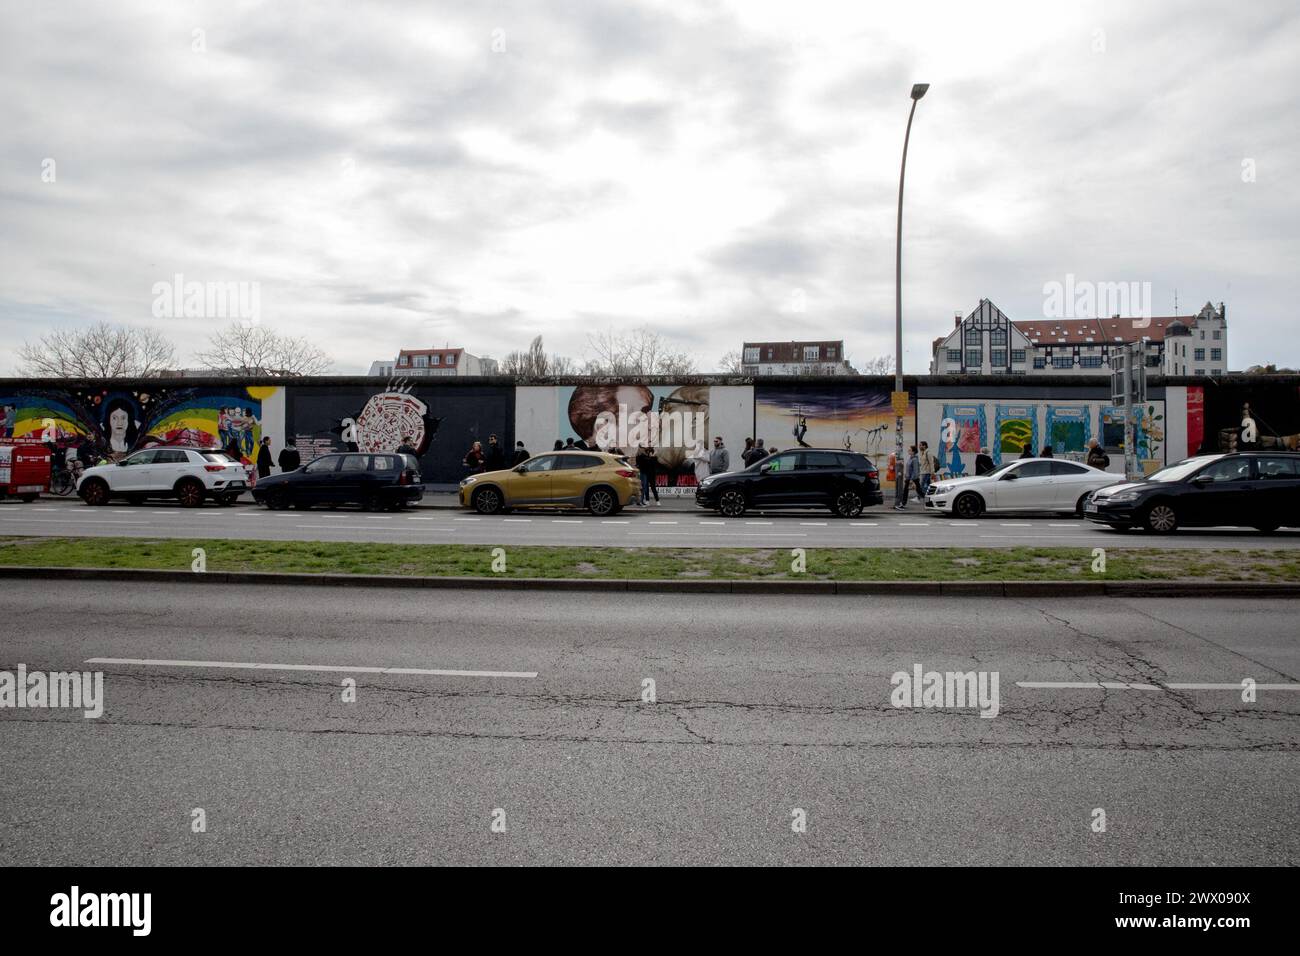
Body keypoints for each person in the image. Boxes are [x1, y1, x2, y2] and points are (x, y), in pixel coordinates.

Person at [894, 445, 921, 510]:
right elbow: (909, 468)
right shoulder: (910, 458)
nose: (908, 451)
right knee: (914, 491)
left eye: (910, 450)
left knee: (919, 492)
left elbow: (915, 470)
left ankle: (902, 504)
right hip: (908, 478)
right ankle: (903, 504)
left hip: (912, 478)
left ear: (913, 452)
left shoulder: (914, 459)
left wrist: (911, 479)